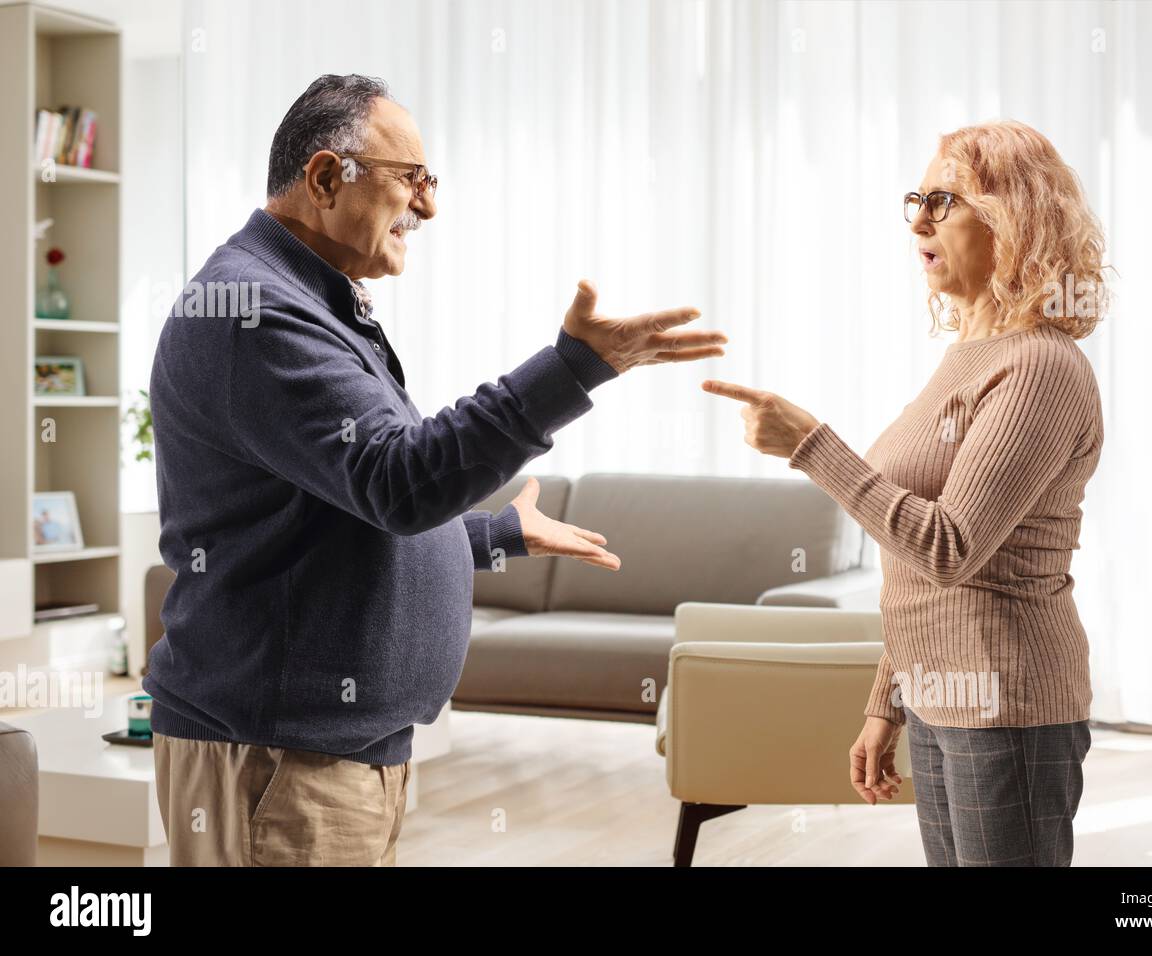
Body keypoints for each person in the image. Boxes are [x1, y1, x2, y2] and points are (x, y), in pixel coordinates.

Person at [145, 74, 726, 866]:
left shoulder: (307, 301)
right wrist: (573, 369)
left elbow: (348, 504)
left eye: (431, 181)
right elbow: (401, 480)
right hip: (277, 755)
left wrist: (495, 534)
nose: (429, 206)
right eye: (412, 180)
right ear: (325, 179)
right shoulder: (253, 311)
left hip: (329, 753)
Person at [704, 120, 1107, 866]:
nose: (918, 218)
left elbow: (949, 547)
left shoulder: (1041, 368)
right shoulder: (968, 355)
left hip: (1007, 702)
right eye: (917, 198)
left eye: (945, 200)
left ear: (1014, 219)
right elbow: (910, 562)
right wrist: (886, 702)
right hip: (939, 700)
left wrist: (809, 445)